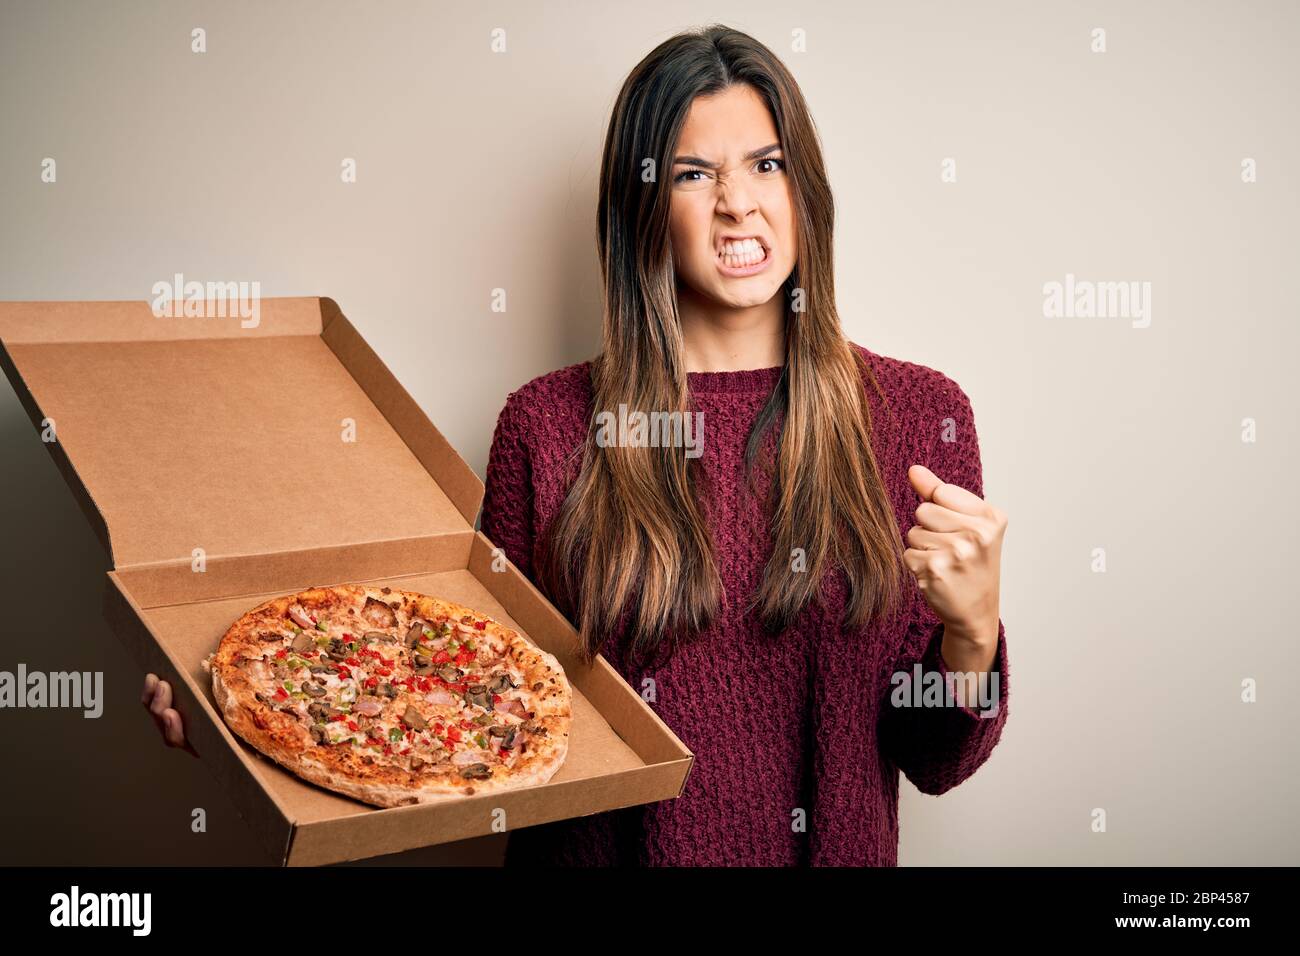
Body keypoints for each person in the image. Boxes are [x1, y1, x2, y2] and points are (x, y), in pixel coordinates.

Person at [145, 23, 1011, 867]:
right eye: (693, 173)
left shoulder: (914, 416)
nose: (738, 201)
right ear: (643, 207)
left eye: (767, 163)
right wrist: (246, 729)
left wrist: (971, 632)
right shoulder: (547, 428)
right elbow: (468, 712)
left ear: (805, 189)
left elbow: (933, 759)